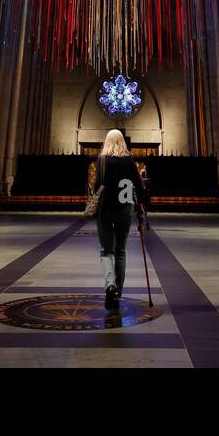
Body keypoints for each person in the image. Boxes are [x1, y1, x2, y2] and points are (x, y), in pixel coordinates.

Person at [93, 128, 144, 309]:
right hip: (125, 207)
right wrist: (141, 208)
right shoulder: (130, 160)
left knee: (106, 251)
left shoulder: (102, 159)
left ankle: (110, 285)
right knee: (121, 251)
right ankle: (117, 294)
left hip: (106, 209)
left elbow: (97, 185)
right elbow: (138, 185)